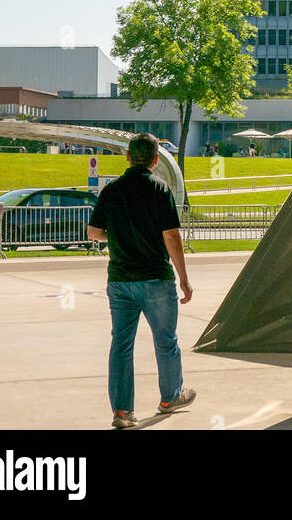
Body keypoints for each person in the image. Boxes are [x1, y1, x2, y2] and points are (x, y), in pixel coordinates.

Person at [87, 131, 195, 429]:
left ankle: (122, 412)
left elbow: (93, 233)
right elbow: (172, 236)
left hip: (120, 279)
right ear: (155, 160)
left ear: (128, 157)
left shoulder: (112, 190)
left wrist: (117, 238)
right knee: (166, 341)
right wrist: (184, 278)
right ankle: (170, 397)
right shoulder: (160, 190)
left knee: (121, 343)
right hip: (155, 279)